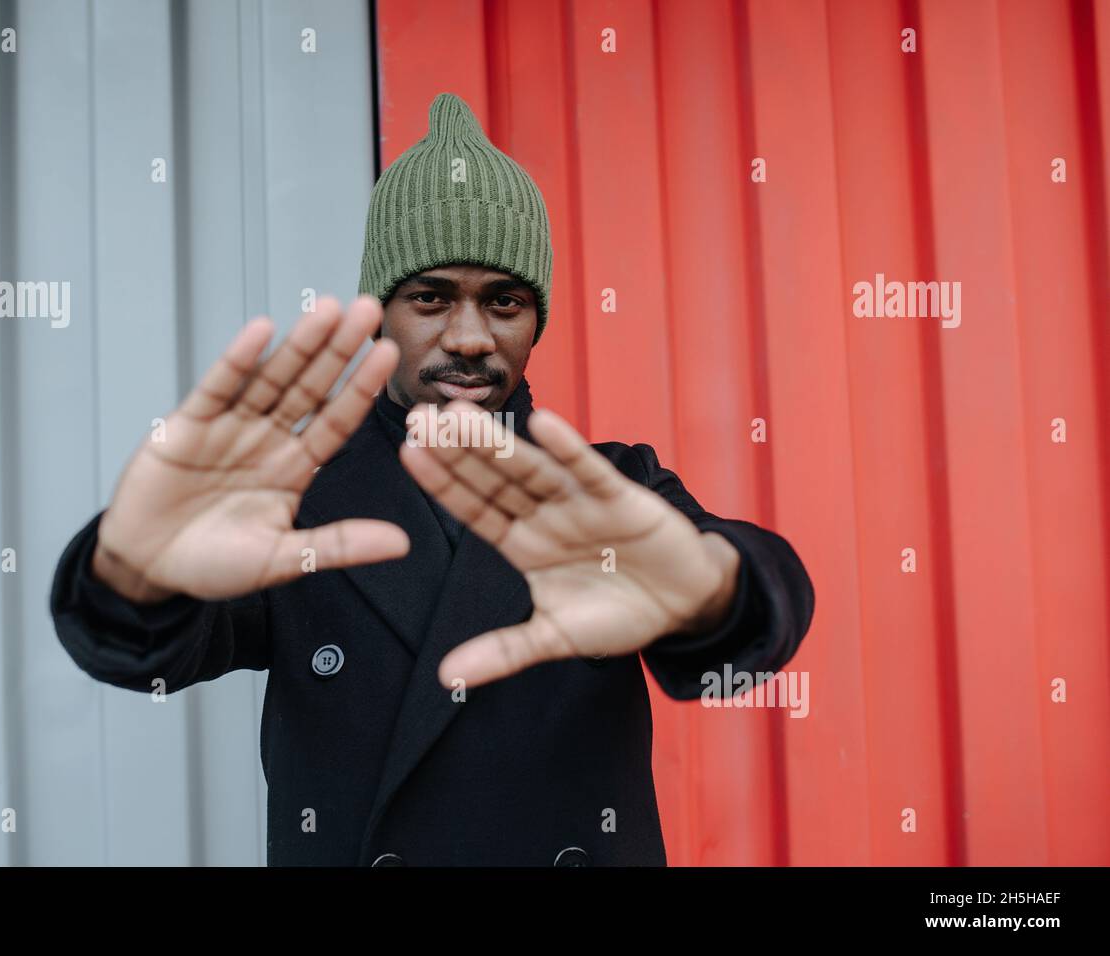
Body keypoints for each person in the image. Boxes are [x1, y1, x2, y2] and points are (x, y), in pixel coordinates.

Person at [50, 92, 814, 866]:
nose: (471, 337)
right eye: (431, 297)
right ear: (384, 310)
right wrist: (131, 569)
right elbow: (144, 653)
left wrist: (713, 590)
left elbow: (750, 618)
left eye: (505, 301)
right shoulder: (291, 498)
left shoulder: (611, 493)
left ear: (536, 318)